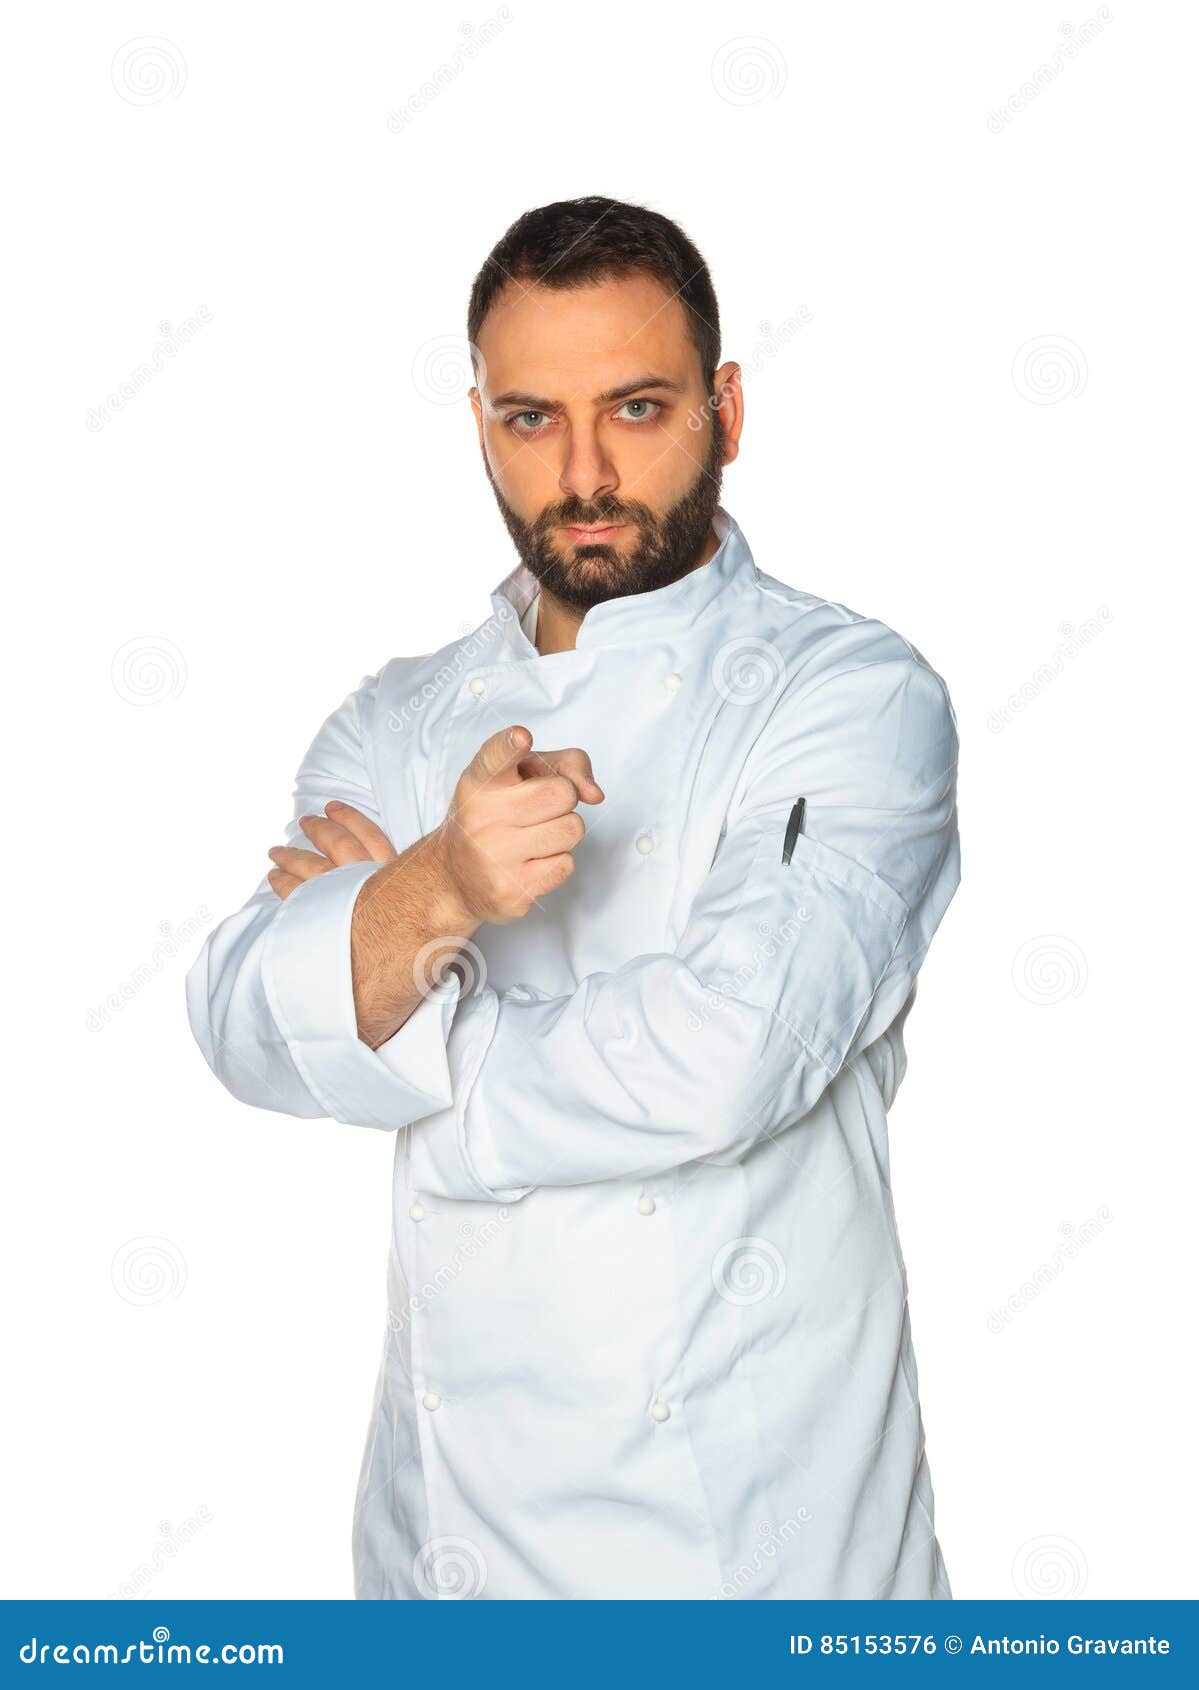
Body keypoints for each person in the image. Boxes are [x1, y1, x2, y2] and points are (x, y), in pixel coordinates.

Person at [186, 194, 962, 1601]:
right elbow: (243, 1021)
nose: (586, 472)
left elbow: (728, 1059)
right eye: (533, 418)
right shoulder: (399, 715)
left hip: (765, 1570)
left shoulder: (851, 697)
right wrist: (443, 877)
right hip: (441, 1561)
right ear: (482, 427)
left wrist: (398, 991)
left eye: (638, 409)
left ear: (727, 410)